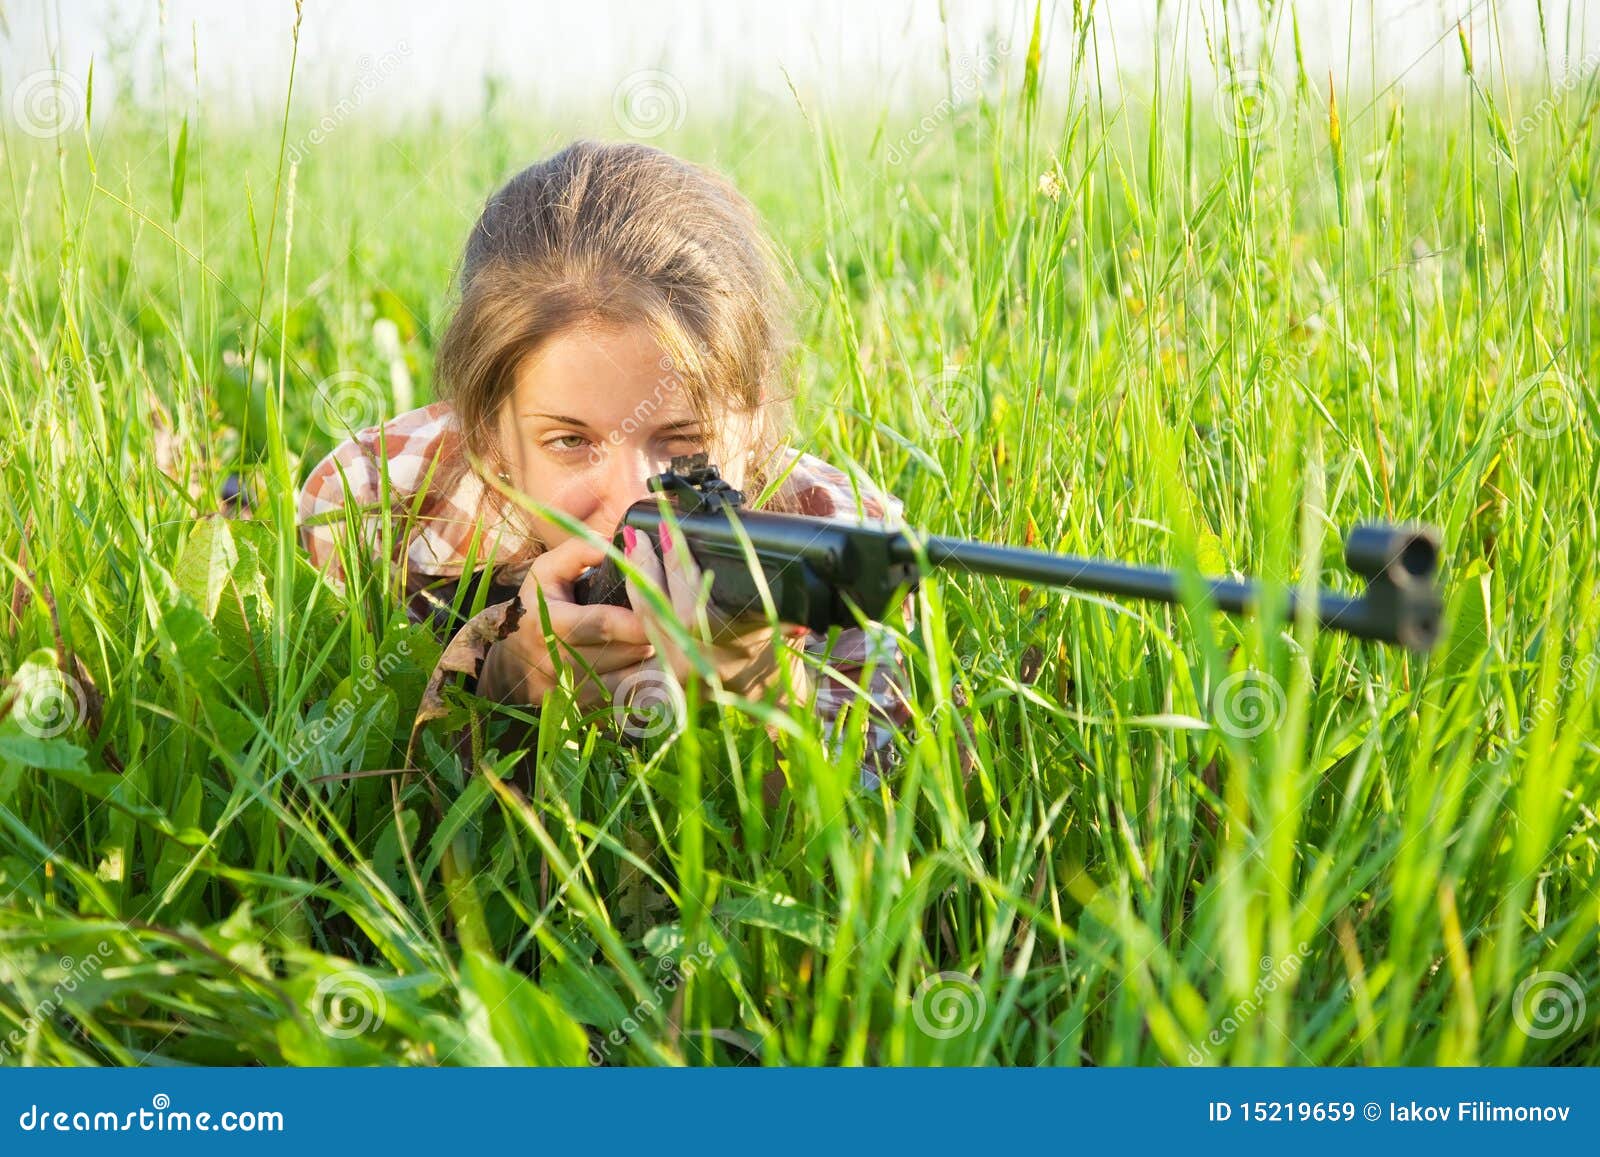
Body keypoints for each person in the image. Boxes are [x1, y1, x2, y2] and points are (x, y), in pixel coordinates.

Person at [296, 139, 912, 790]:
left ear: (755, 418)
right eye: (570, 441)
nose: (629, 499)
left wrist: (767, 698)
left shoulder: (837, 531)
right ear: (490, 433)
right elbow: (340, 776)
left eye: (684, 440)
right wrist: (503, 683)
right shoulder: (376, 502)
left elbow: (893, 813)